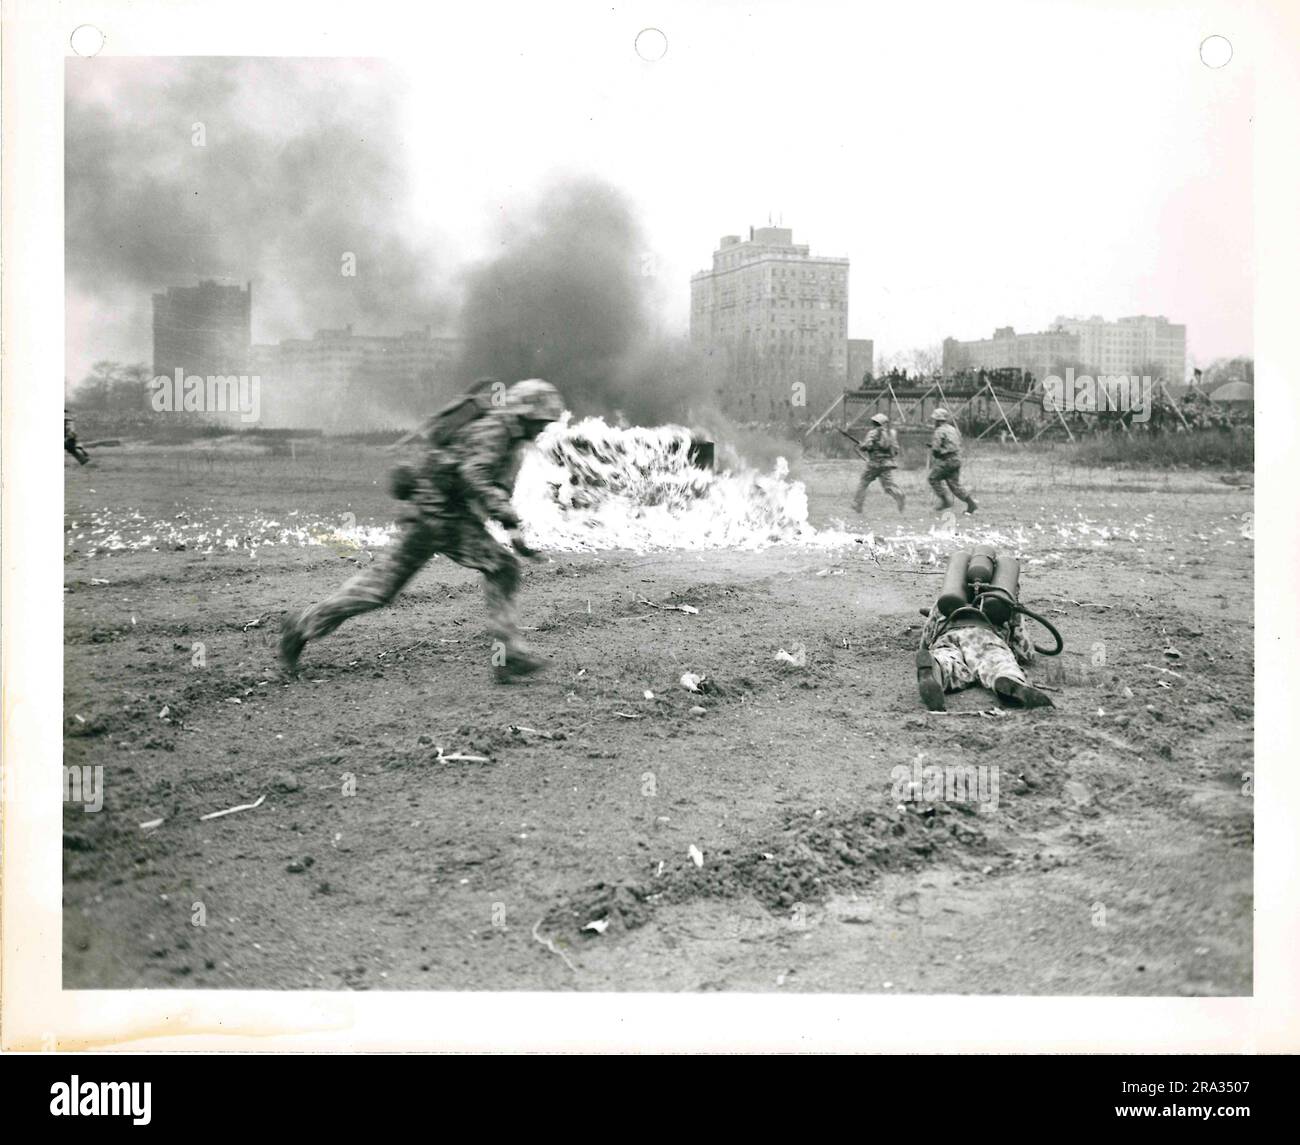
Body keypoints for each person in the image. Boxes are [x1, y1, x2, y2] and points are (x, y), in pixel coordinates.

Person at [279, 378, 566, 682]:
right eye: (540, 421)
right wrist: (509, 521)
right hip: (435, 518)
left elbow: (491, 487)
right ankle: (301, 626)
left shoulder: (509, 439)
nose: (542, 428)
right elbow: (474, 475)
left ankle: (301, 625)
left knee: (383, 589)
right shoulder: (494, 430)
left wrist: (513, 531)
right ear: (525, 412)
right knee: (385, 588)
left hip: (440, 516)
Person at [915, 599, 1053, 711]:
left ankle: (937, 667)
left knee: (949, 659)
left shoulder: (947, 596)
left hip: (950, 637)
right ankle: (1009, 679)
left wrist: (927, 649)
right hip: (987, 638)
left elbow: (926, 640)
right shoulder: (1004, 599)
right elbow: (1026, 653)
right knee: (998, 663)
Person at [851, 413, 905, 514]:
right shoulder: (891, 433)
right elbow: (896, 450)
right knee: (888, 486)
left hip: (874, 464)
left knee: (864, 482)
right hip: (887, 464)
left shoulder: (873, 432)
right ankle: (899, 495)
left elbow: (867, 446)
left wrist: (861, 446)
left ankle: (857, 504)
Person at [928, 408, 977, 513]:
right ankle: (971, 504)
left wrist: (934, 450)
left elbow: (936, 450)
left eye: (935, 420)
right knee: (954, 485)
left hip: (947, 460)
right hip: (956, 459)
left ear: (938, 420)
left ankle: (945, 500)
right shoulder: (953, 429)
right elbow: (955, 443)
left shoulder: (939, 431)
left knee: (933, 478)